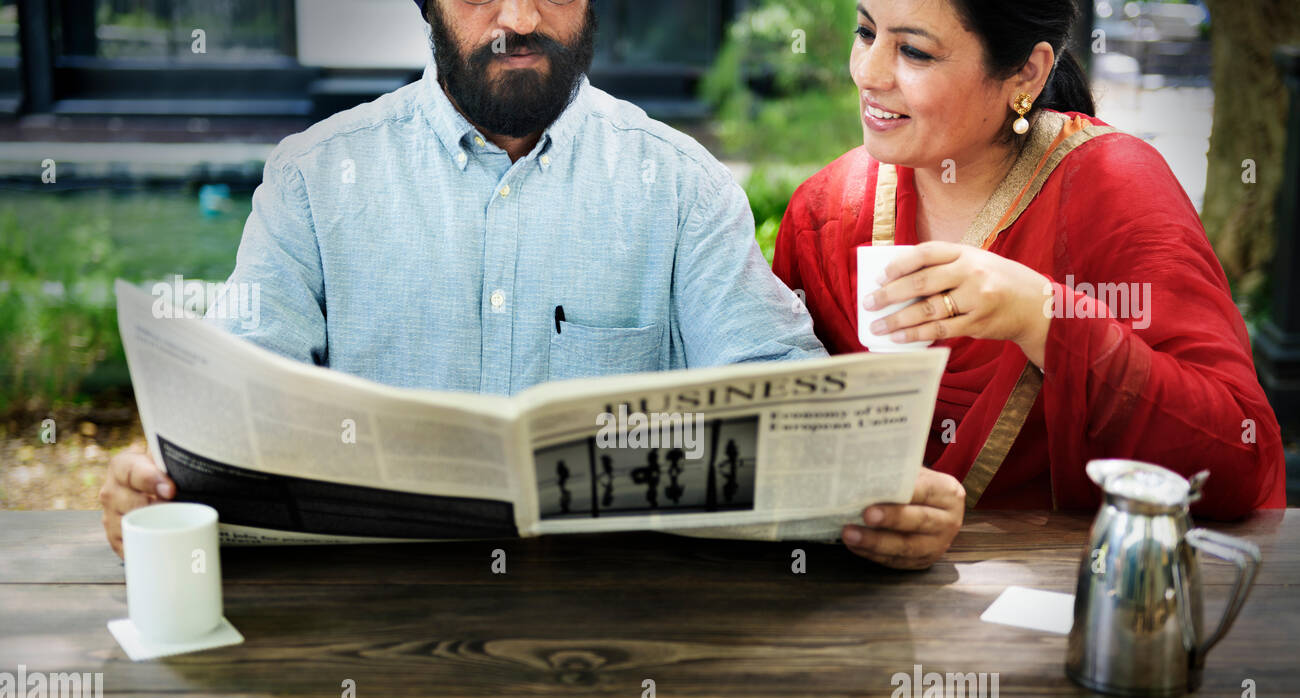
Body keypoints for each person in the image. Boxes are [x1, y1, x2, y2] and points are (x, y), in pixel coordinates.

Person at [99, 0, 966, 567]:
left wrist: (876, 489)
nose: (518, 18)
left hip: (627, 639)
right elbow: (236, 400)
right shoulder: (314, 180)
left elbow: (781, 394)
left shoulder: (682, 186)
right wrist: (164, 481)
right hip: (368, 635)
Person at [774, 0, 1286, 569]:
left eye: (914, 51)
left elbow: (1237, 460)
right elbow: (778, 445)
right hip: (846, 592)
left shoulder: (1116, 193)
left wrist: (1042, 318)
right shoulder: (825, 213)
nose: (868, 73)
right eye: (866, 32)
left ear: (1027, 71)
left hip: (1075, 594)